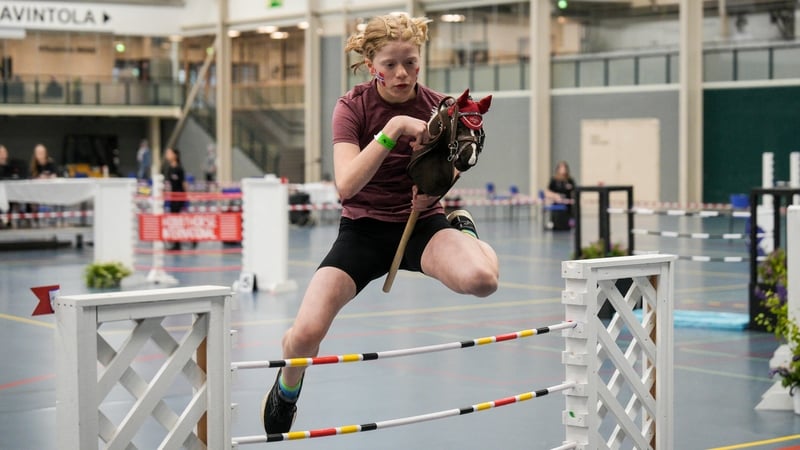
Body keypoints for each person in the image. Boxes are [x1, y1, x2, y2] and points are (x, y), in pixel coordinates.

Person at [260, 13, 500, 434]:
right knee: (303, 337)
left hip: (421, 224)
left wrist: (435, 188)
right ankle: (287, 389)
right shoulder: (351, 107)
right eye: (390, 64)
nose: (402, 73)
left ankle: (463, 229)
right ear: (371, 65)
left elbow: (453, 167)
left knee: (483, 280)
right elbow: (347, 185)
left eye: (410, 61)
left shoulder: (440, 107)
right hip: (364, 230)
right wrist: (394, 128)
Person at [163, 147, 188, 250]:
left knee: (177, 220)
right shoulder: (168, 168)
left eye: (169, 153)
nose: (167, 155)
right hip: (172, 198)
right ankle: (175, 242)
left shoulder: (179, 169)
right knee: (173, 219)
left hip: (179, 197)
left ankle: (178, 244)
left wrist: (185, 197)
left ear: (175, 155)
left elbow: (184, 184)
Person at [544, 160, 575, 230]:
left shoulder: (570, 180)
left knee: (571, 210)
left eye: (564, 168)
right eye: (561, 168)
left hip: (568, 204)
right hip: (557, 202)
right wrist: (555, 196)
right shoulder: (554, 180)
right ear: (558, 169)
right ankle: (554, 223)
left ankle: (570, 223)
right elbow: (547, 191)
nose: (563, 170)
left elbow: (574, 190)